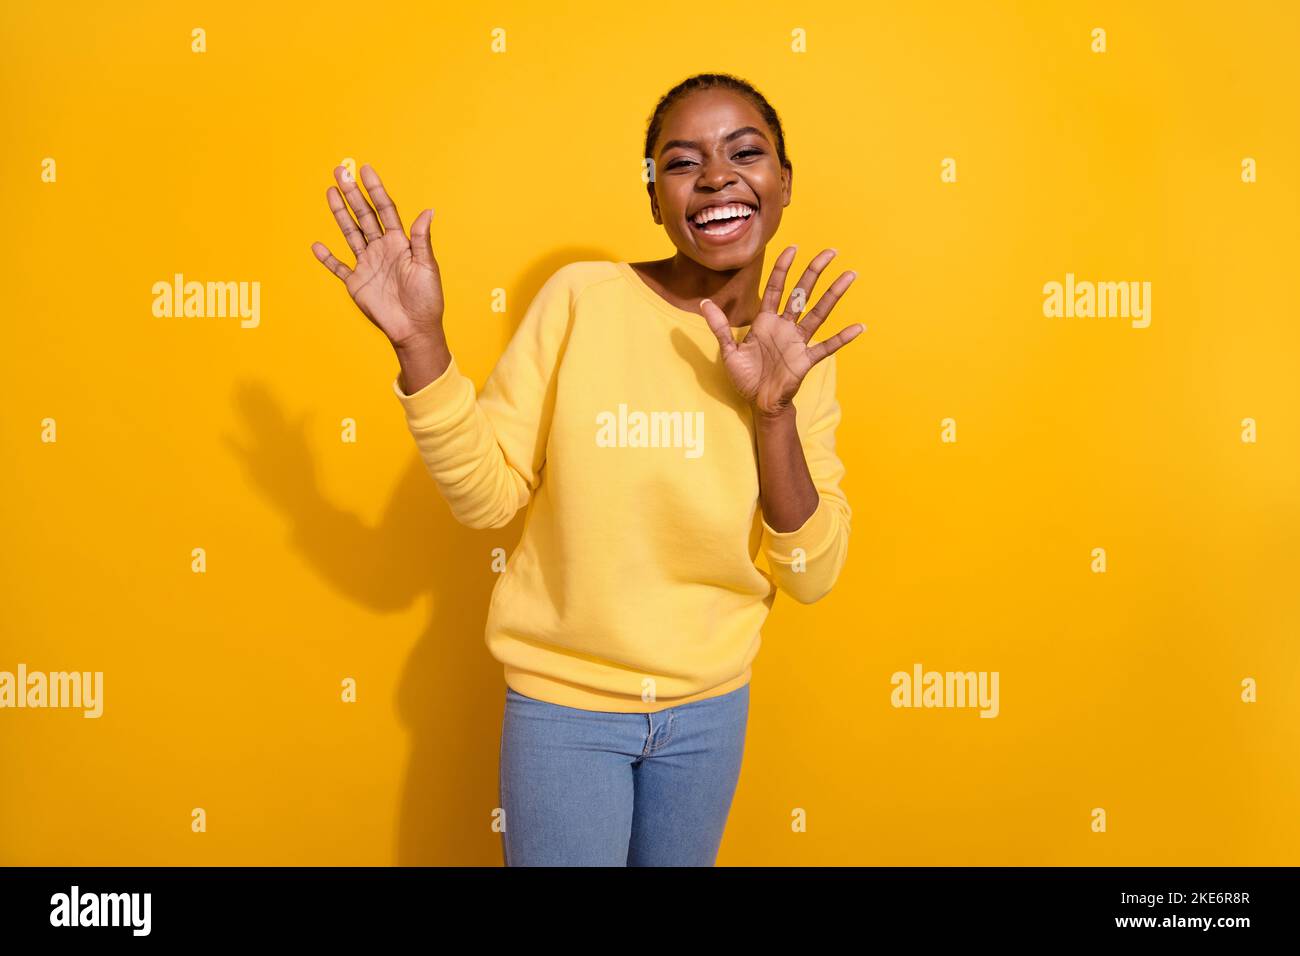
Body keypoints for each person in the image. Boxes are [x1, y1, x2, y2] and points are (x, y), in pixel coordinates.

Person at [311, 72, 864, 866]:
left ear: (784, 184)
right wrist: (419, 345)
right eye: (681, 162)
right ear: (654, 199)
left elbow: (810, 574)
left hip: (709, 710)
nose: (715, 176)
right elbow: (488, 498)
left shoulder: (799, 353)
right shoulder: (582, 301)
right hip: (564, 708)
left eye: (746, 152)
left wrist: (773, 412)